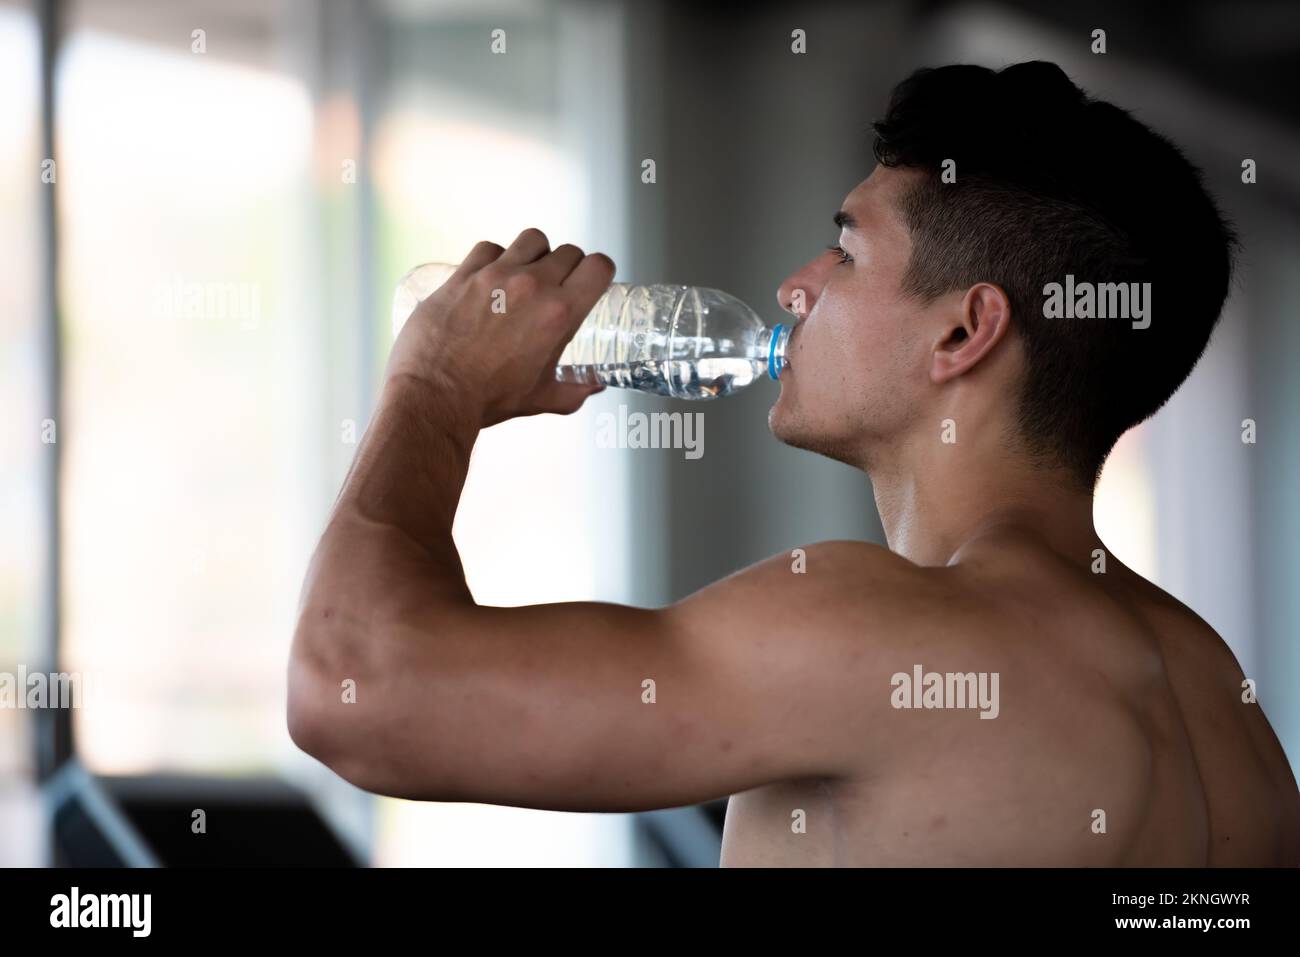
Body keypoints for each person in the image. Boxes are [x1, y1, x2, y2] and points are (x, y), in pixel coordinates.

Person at [287, 61, 1300, 865]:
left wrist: (432, 388)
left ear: (962, 335)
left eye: (845, 253)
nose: (794, 286)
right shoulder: (1224, 705)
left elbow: (354, 693)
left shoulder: (883, 626)